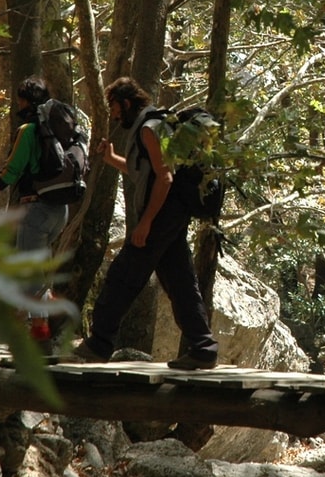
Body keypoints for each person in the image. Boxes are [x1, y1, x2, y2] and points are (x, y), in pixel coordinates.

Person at [72, 77, 218, 370]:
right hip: (169, 214)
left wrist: (146, 223)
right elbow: (145, 171)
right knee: (180, 282)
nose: (113, 114)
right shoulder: (151, 126)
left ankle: (99, 342)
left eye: (113, 106)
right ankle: (202, 348)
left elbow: (165, 178)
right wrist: (112, 157)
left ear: (126, 103)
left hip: (162, 213)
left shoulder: (150, 128)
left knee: (122, 275)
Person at [0, 76, 70, 256]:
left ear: (25, 101)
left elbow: (10, 173)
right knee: (40, 269)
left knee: (28, 278)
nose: (18, 105)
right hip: (60, 210)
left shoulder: (29, 131)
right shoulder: (60, 129)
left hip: (37, 210)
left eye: (20, 101)